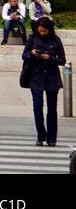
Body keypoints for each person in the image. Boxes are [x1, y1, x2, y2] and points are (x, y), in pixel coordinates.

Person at [21, 16, 66, 147]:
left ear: (49, 30)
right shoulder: (32, 39)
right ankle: (41, 135)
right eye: (40, 31)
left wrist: (50, 58)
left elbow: (62, 60)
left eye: (44, 31)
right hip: (35, 77)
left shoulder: (56, 40)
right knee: (37, 105)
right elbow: (24, 56)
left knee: (52, 108)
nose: (42, 33)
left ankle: (52, 137)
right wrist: (32, 53)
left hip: (51, 77)